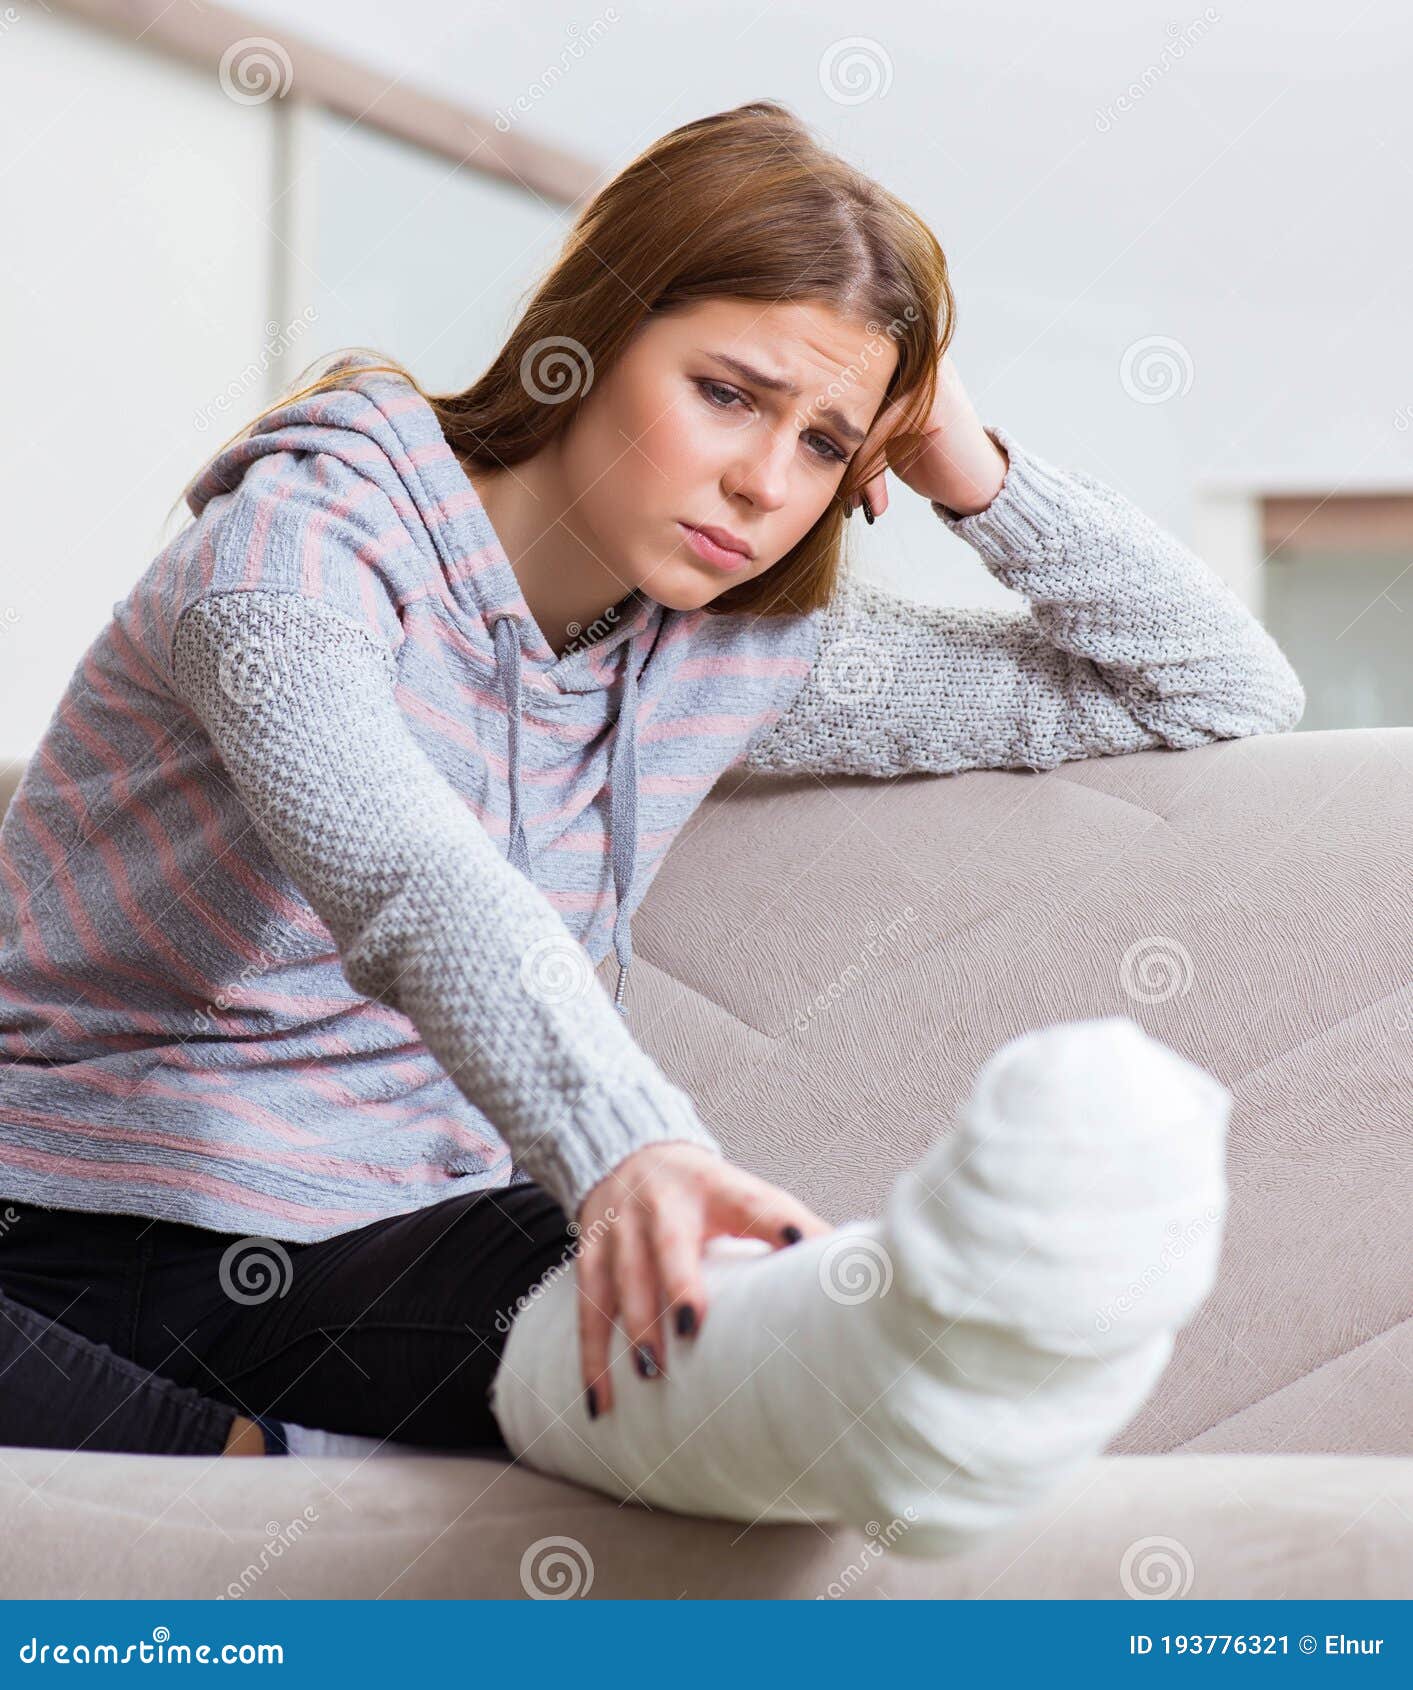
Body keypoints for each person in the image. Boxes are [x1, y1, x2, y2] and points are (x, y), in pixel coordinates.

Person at [0, 101, 1302, 1549]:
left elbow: (1214, 682)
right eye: (727, 394)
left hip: (372, 1262)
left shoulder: (728, 648)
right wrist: (631, 1146)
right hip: (50, 1231)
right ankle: (227, 1463)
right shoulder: (293, 555)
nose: (764, 484)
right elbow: (411, 880)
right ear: (595, 330)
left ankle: (925, 1375)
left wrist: (960, 456)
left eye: (824, 442)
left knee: (680, 1293)